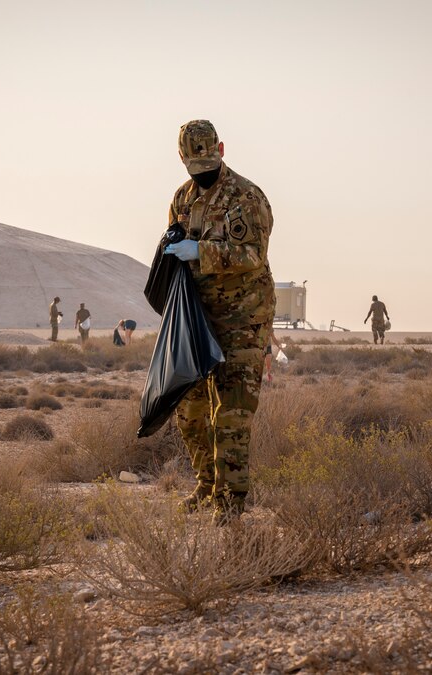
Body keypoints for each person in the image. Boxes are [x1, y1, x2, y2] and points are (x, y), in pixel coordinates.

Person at [162, 119, 275, 524]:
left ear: (222, 149)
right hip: (198, 321)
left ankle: (229, 504)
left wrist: (201, 251)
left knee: (230, 413)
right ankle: (206, 486)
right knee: (189, 412)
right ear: (182, 160)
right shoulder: (182, 198)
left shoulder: (246, 196)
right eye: (194, 166)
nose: (202, 173)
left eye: (208, 163)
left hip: (244, 320)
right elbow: (174, 246)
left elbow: (252, 255)